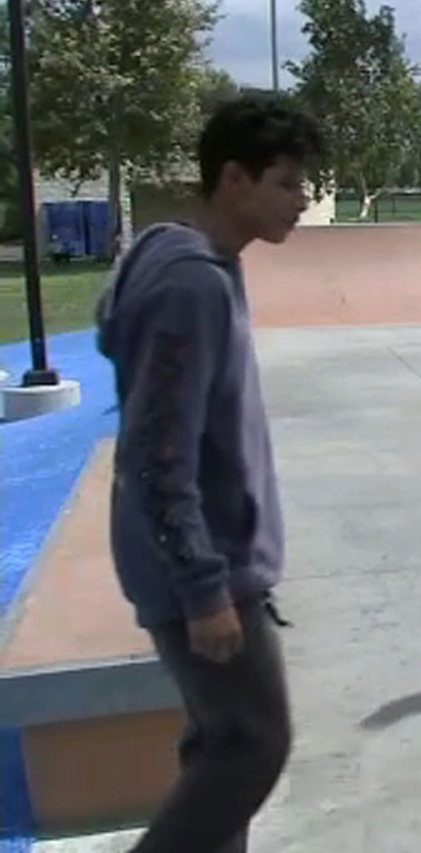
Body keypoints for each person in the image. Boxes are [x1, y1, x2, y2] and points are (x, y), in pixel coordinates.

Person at [94, 90, 325, 853]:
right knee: (254, 745)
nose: (303, 200)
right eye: (287, 182)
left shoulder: (178, 255)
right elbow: (158, 452)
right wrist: (203, 587)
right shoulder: (192, 282)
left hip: (200, 561)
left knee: (218, 742)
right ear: (234, 178)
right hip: (204, 568)